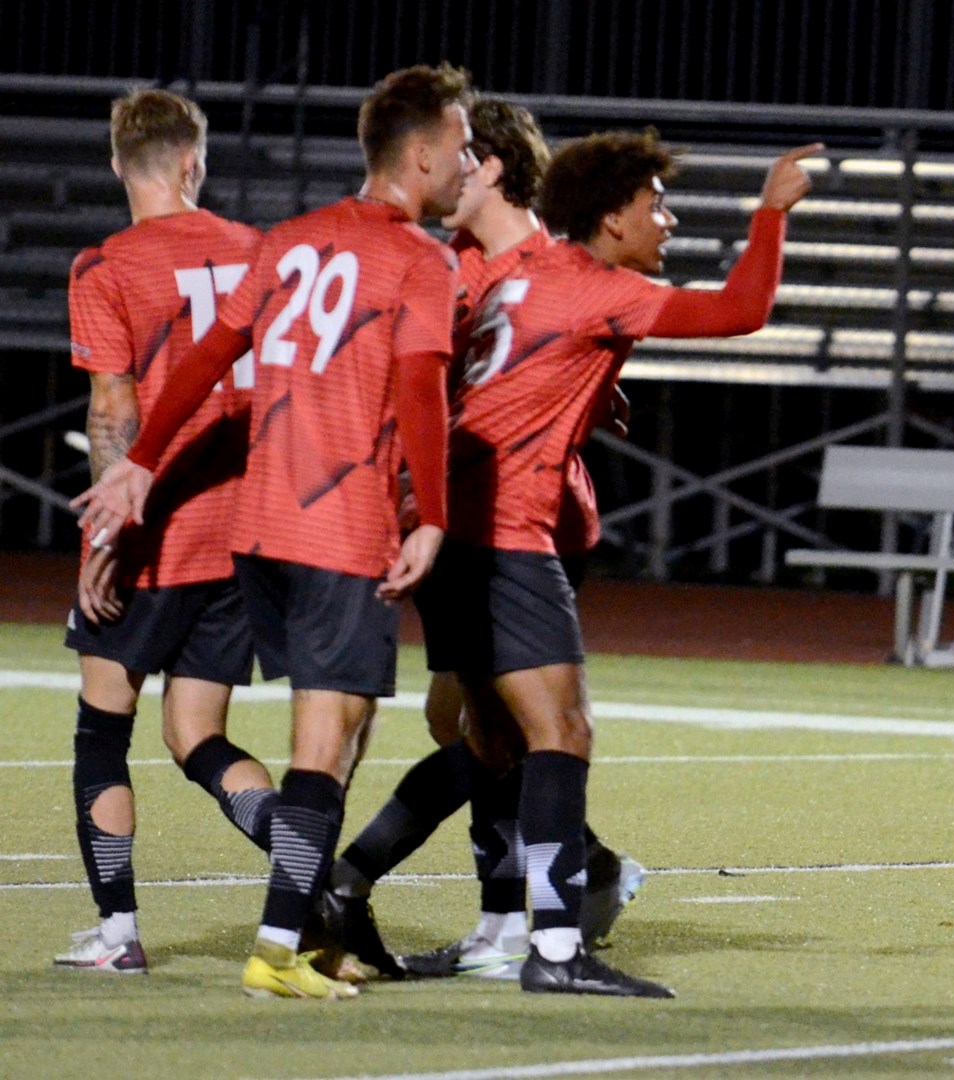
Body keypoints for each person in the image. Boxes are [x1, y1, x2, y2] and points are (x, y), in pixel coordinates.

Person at [75, 63, 474, 1000]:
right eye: (459, 146)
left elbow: (209, 356)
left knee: (337, 728)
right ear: (419, 155)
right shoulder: (420, 258)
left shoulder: (292, 240)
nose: (468, 162)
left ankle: (294, 934)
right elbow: (419, 389)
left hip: (260, 527)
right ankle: (283, 943)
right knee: (324, 742)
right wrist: (436, 517)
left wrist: (137, 461)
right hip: (337, 521)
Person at [407, 128, 818, 996]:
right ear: (610, 217)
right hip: (510, 531)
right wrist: (771, 215)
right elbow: (740, 310)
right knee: (563, 734)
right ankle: (553, 950)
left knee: (494, 740)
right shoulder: (599, 289)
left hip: (449, 527)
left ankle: (489, 925)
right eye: (653, 207)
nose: (665, 221)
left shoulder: (512, 275)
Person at [316, 96, 645, 984]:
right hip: (451, 515)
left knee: (510, 725)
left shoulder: (544, 260)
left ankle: (510, 915)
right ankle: (534, 898)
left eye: (466, 157)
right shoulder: (451, 260)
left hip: (522, 519)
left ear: (490, 168)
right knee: (481, 727)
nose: (451, 173)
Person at [56, 88, 277, 974]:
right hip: (245, 534)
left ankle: (118, 937)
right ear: (195, 162)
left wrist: (104, 537)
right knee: (196, 734)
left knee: (101, 731)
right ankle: (314, 876)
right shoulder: (262, 252)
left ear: (117, 164)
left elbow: (116, 406)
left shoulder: (107, 266)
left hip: (155, 533)